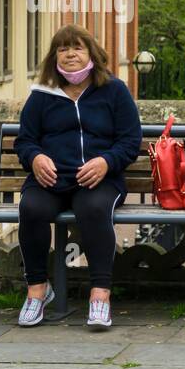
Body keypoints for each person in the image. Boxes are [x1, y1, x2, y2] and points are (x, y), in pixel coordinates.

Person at [14, 25, 142, 331]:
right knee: (31, 209)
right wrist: (35, 158)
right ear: (54, 57)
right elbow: (25, 141)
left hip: (98, 179)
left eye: (77, 48)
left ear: (91, 54)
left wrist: (105, 162)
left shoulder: (114, 90)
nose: (70, 54)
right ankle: (37, 289)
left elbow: (130, 140)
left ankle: (100, 294)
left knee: (94, 209)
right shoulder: (43, 95)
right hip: (51, 179)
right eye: (62, 48)